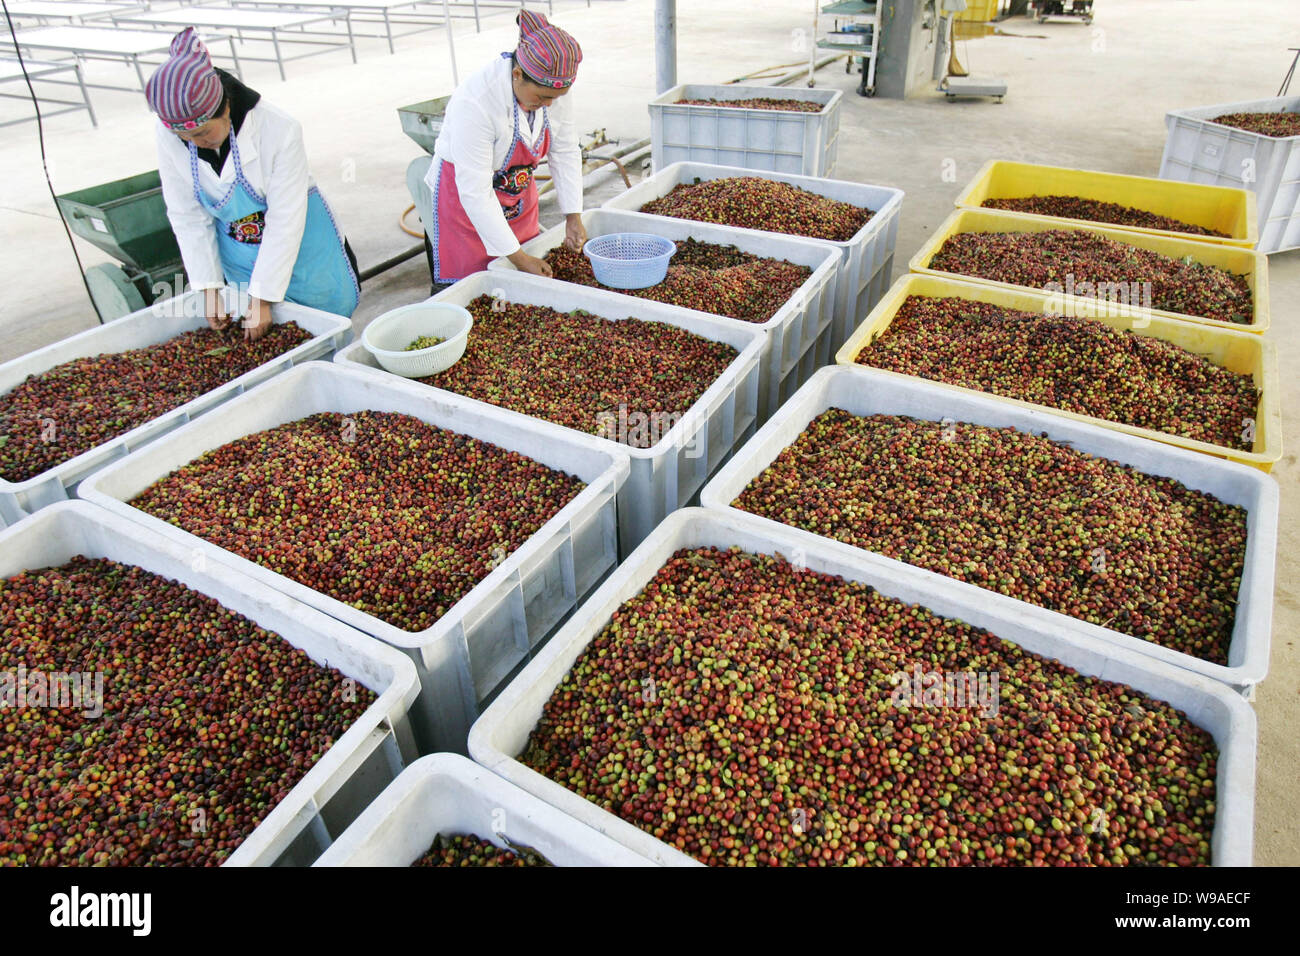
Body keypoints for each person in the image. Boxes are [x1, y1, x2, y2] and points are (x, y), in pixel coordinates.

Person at [148, 28, 360, 339]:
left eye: (204, 133)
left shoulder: (278, 129)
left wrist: (262, 297)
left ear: (226, 108)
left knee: (325, 331)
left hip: (304, 248)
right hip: (241, 256)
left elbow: (285, 219)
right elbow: (187, 216)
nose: (197, 143)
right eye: (186, 138)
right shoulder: (169, 135)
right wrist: (207, 288)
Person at [422, 9, 586, 291]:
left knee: (522, 291)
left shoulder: (552, 91)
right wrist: (521, 260)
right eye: (542, 97)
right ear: (517, 74)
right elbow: (475, 192)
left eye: (556, 98)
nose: (549, 105)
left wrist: (573, 216)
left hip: (517, 195)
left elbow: (566, 151)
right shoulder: (476, 102)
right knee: (472, 292)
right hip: (466, 207)